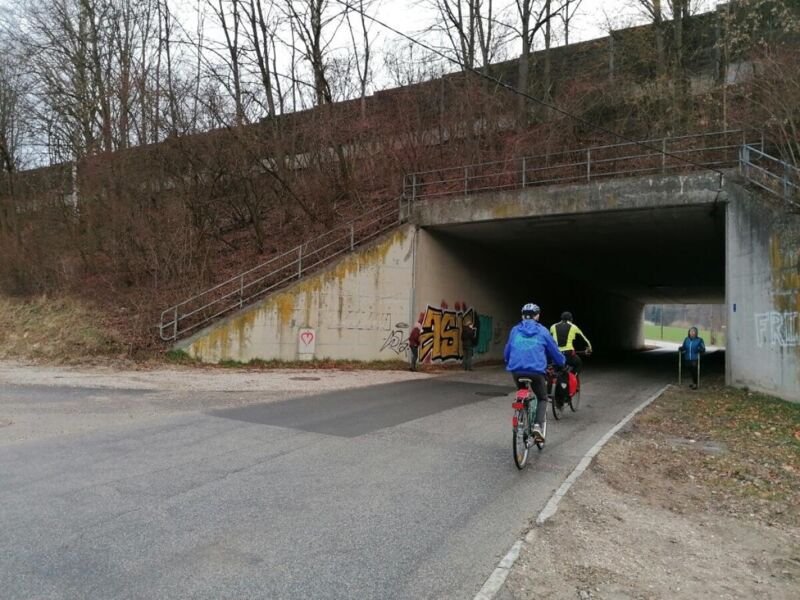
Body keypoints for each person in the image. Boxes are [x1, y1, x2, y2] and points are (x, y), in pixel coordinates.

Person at [504, 303, 566, 443]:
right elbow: (555, 352)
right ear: (537, 316)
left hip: (517, 370)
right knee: (543, 397)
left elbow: (507, 350)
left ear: (522, 315)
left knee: (522, 391)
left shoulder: (515, 330)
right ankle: (538, 425)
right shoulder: (543, 331)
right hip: (536, 371)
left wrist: (508, 360)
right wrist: (561, 362)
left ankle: (521, 413)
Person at [549, 311, 592, 375]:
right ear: (571, 319)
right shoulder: (573, 327)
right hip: (569, 354)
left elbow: (549, 340)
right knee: (578, 363)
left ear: (561, 318)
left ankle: (552, 381)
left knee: (553, 370)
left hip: (556, 354)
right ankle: (572, 377)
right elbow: (585, 339)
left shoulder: (553, 326)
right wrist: (589, 348)